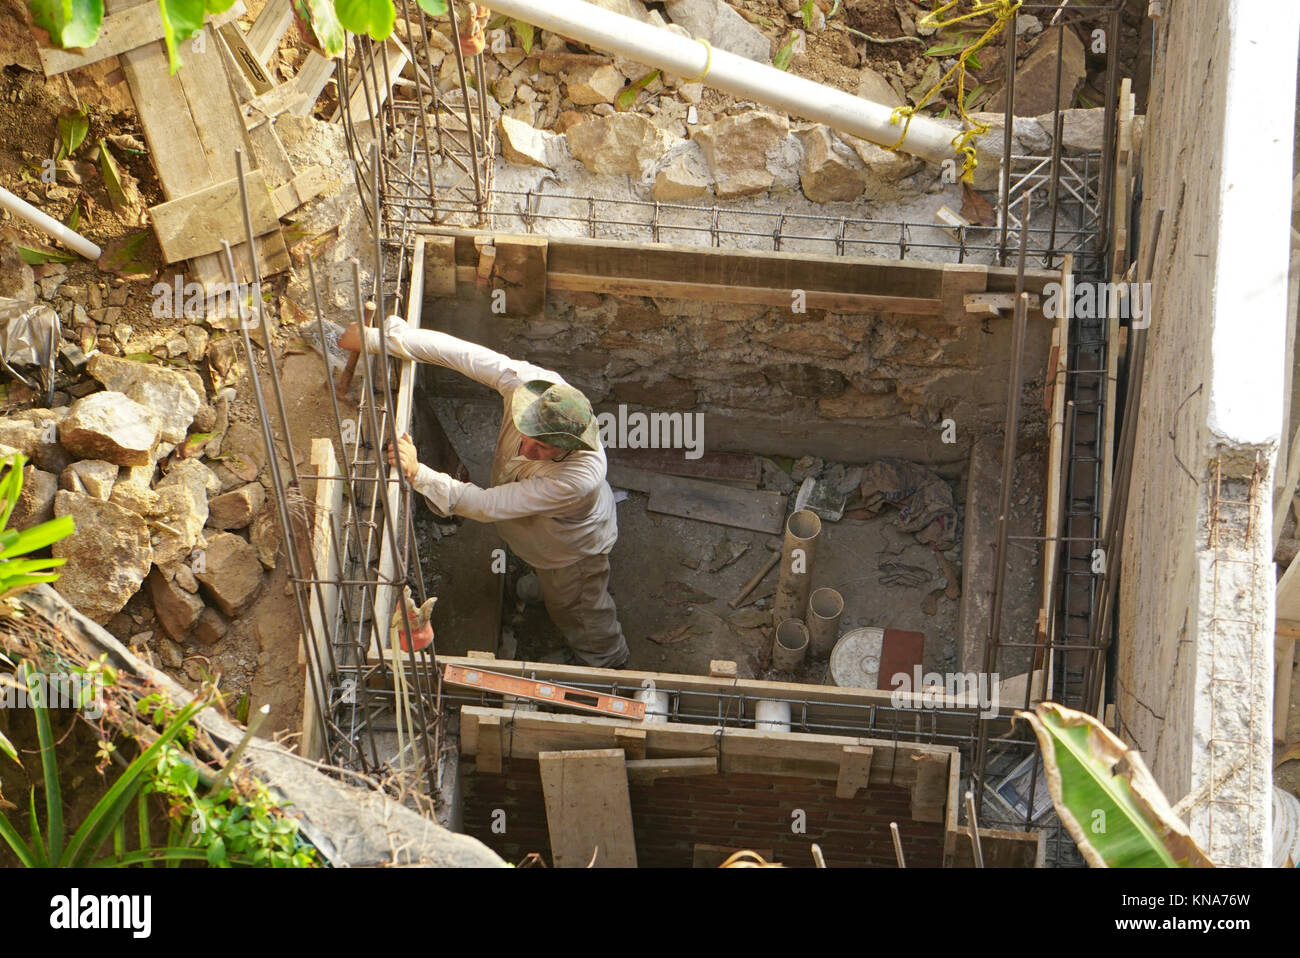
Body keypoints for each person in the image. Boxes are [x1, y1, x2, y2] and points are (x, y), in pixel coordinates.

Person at [339, 316, 630, 669]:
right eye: (527, 437)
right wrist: (378, 339)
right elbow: (460, 354)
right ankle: (546, 589)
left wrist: (419, 473)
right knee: (551, 583)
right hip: (544, 536)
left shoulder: (579, 478)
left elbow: (487, 504)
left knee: (580, 609)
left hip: (573, 551)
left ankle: (607, 661)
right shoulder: (533, 388)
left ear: (569, 447)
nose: (525, 450)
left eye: (541, 450)